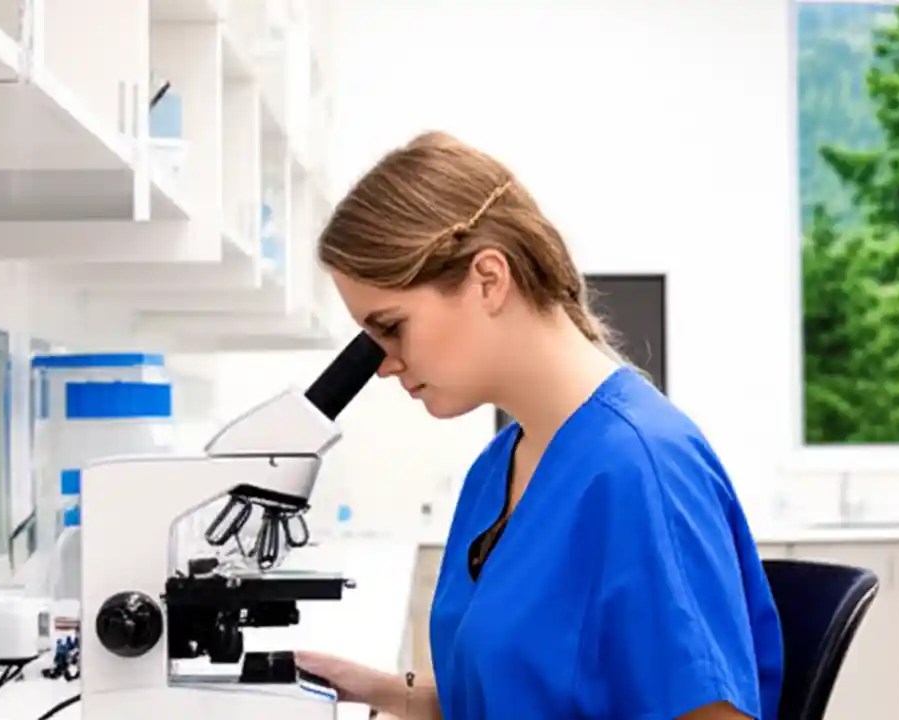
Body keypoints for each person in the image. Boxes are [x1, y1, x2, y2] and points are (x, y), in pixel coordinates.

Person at [297, 131, 784, 720]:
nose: (384, 365)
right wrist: (385, 694)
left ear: (488, 279)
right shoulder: (498, 469)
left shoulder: (642, 468)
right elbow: (522, 696)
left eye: (392, 327)